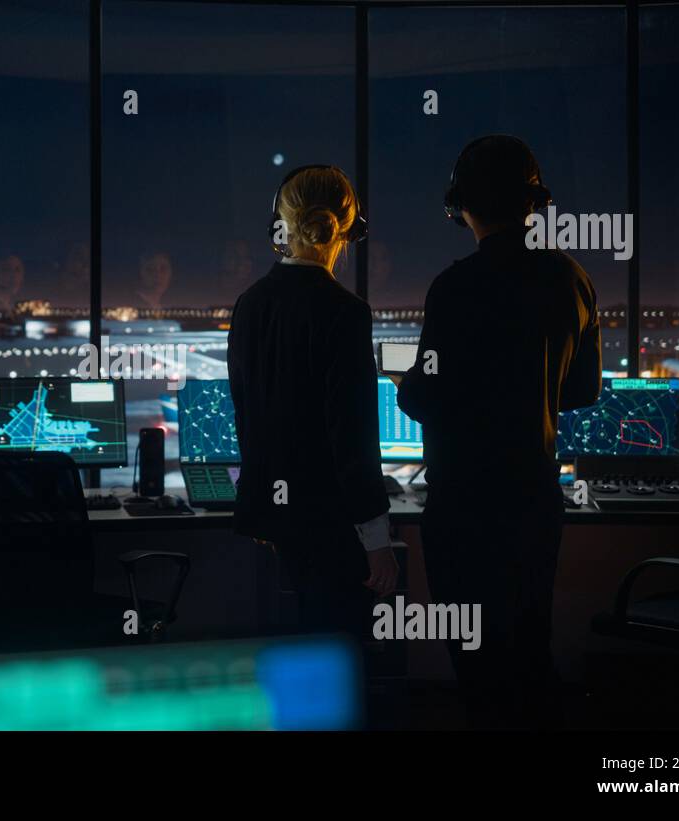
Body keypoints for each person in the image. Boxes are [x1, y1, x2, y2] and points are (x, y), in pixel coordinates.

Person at [396, 135, 601, 728]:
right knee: (528, 644)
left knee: (477, 660)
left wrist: (406, 385)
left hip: (465, 506)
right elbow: (583, 391)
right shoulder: (572, 278)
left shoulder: (455, 287)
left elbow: (429, 396)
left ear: (461, 206)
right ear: (532, 204)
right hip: (535, 500)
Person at [228, 165, 397, 640]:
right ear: (347, 228)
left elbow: (248, 414)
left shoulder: (249, 304)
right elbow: (354, 436)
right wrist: (378, 541)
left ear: (279, 223)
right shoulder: (344, 312)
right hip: (333, 526)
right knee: (341, 662)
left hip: (278, 522)